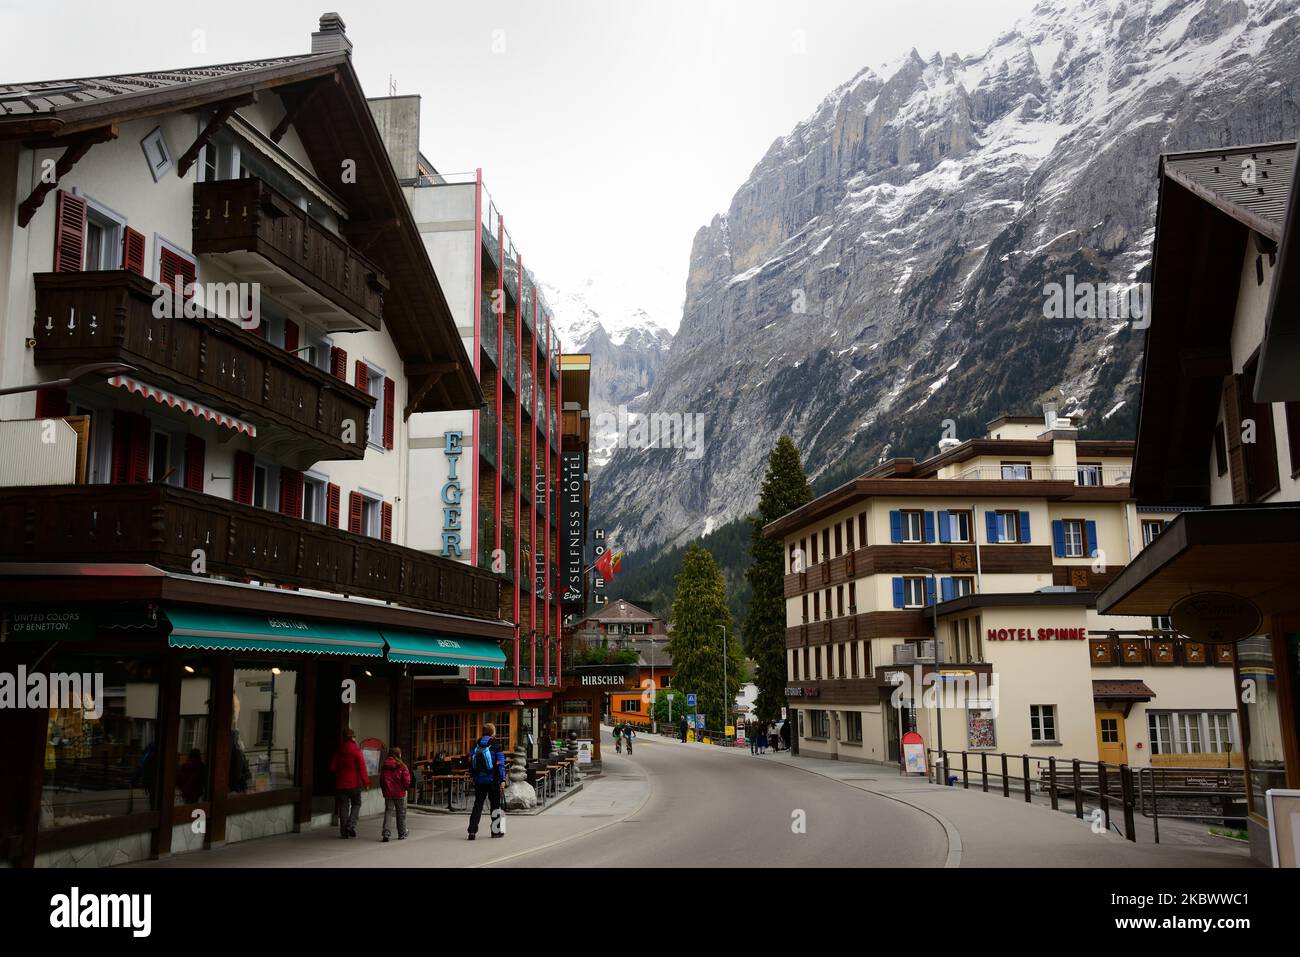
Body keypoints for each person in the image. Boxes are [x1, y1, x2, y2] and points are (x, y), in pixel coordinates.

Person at [467, 723, 506, 841]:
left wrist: (474, 776)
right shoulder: (496, 745)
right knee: (495, 805)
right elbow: (500, 764)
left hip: (479, 780)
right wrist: (503, 780)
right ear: (493, 732)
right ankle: (496, 831)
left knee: (478, 804)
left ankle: (472, 831)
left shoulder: (476, 744)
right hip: (493, 780)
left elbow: (470, 760)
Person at [329, 729, 370, 839]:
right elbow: (362, 768)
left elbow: (332, 767)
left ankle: (344, 832)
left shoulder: (339, 751)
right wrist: (366, 782)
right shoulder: (356, 751)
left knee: (343, 807)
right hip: (354, 783)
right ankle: (350, 825)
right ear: (353, 737)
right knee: (356, 804)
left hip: (340, 783)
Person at [380, 746, 411, 842]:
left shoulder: (385, 766)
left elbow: (382, 780)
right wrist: (405, 788)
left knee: (388, 812)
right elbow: (406, 780)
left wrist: (384, 790)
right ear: (398, 754)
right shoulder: (402, 766)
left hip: (388, 792)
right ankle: (401, 833)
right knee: (400, 813)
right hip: (399, 793)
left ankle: (386, 833)